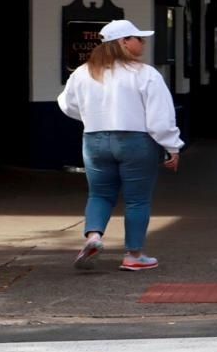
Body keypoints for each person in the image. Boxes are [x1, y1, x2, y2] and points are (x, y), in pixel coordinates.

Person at [58, 18, 184, 271]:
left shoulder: (83, 72)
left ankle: (94, 237)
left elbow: (66, 104)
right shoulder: (145, 74)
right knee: (137, 200)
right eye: (138, 38)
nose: (143, 42)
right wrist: (172, 146)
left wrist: (92, 117)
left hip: (94, 140)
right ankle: (133, 255)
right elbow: (160, 116)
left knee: (99, 194)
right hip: (136, 141)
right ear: (124, 42)